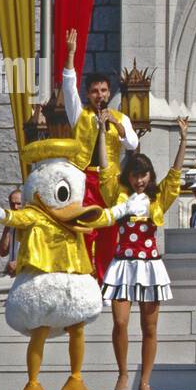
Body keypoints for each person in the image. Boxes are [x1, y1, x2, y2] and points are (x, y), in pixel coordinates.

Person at [102, 118, 188, 390]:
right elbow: (105, 172)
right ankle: (123, 375)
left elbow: (175, 177)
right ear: (128, 176)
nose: (140, 180)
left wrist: (183, 140)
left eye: (144, 175)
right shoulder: (119, 196)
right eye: (135, 175)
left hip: (150, 265)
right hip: (123, 264)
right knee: (120, 322)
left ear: (150, 176)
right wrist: (101, 136)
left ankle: (145, 381)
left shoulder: (158, 199)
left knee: (149, 327)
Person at [60, 27, 139, 280]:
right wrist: (71, 54)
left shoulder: (120, 117)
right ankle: (84, 276)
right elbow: (68, 86)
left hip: (110, 181)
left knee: (107, 230)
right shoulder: (80, 115)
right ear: (89, 94)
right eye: (95, 91)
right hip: (84, 180)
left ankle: (104, 279)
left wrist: (115, 125)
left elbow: (133, 145)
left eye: (104, 91)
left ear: (109, 92)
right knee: (84, 229)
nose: (100, 95)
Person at [0, 188, 24, 277]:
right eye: (12, 204)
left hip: (26, 272)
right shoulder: (11, 225)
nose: (15, 207)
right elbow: (3, 252)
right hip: (13, 274)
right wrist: (7, 226)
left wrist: (19, 262)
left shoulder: (31, 224)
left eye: (18, 204)